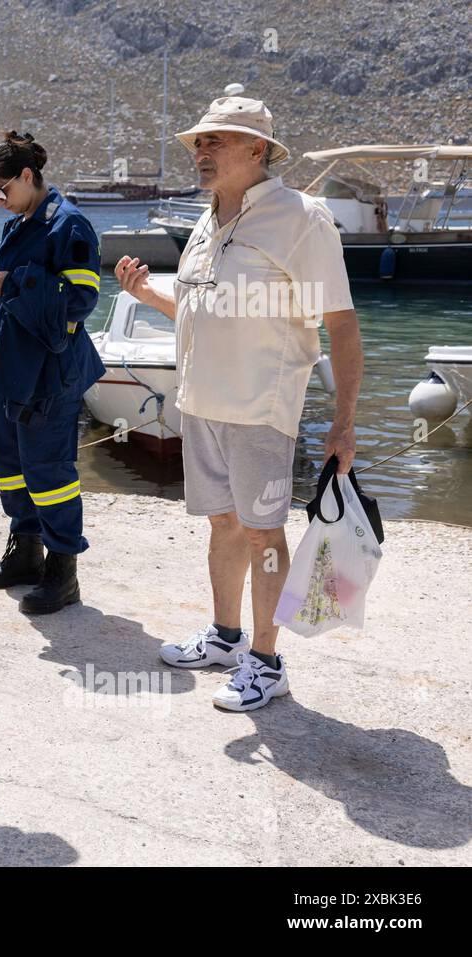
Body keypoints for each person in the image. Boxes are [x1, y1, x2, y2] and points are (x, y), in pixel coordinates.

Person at [115, 97, 363, 712]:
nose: (201, 153)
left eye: (216, 142)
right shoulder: (208, 220)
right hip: (199, 405)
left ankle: (267, 661)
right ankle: (225, 639)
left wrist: (345, 422)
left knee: (263, 534)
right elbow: (205, 312)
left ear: (258, 150)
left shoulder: (301, 218)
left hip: (260, 411)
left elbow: (342, 325)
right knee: (223, 523)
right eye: (198, 143)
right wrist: (149, 293)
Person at [0, 132, 104, 614]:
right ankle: (25, 552)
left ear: (27, 177)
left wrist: (13, 284)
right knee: (10, 466)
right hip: (10, 372)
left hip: (49, 376)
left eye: (1, 190)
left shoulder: (69, 225)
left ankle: (62, 571)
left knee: (50, 473)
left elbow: (80, 301)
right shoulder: (19, 223)